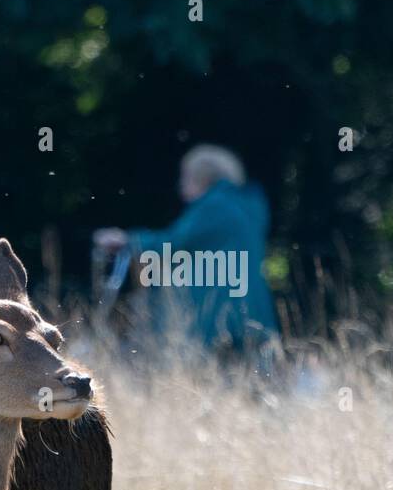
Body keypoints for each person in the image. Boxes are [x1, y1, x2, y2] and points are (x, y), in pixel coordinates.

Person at [95, 145, 280, 365]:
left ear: (201, 177)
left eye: (184, 176)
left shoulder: (214, 205)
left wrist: (129, 240)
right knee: (250, 374)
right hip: (253, 304)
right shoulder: (250, 205)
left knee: (212, 373)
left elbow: (173, 242)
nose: (180, 184)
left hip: (218, 308)